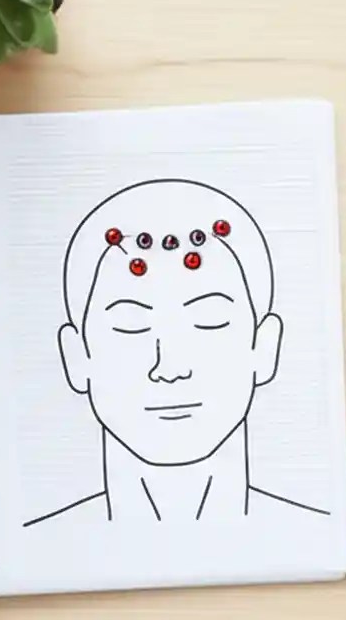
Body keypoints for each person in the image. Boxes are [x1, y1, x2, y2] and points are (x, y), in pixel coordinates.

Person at [24, 180, 330, 527]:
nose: (169, 367)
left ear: (265, 347)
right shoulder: (42, 540)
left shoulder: (311, 531)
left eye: (211, 317)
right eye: (129, 321)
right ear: (76, 357)